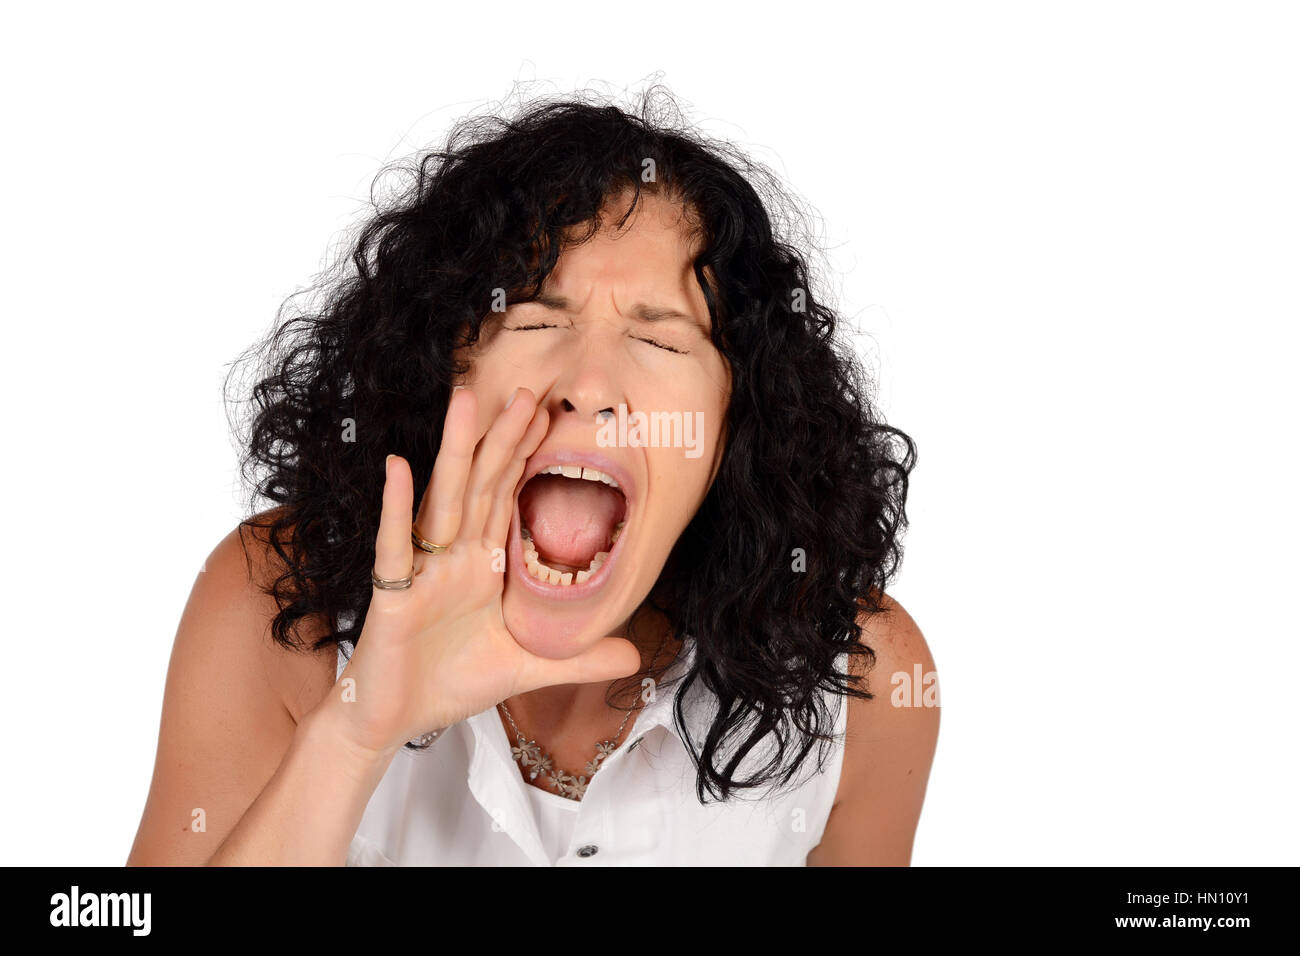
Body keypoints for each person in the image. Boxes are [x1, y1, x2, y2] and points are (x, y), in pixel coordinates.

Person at [127, 89, 939, 866]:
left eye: (659, 341)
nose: (587, 385)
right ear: (446, 365)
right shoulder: (270, 603)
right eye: (536, 318)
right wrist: (352, 736)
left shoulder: (867, 679)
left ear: (736, 425)